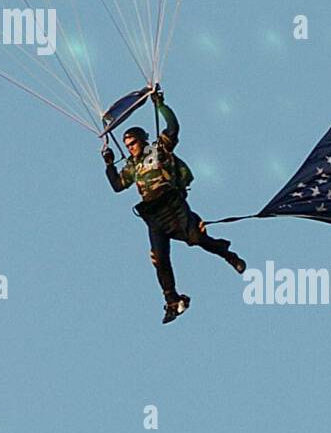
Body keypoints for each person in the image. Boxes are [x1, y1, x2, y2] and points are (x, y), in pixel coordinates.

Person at [103, 89, 246, 323]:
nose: (130, 147)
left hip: (173, 204)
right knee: (160, 259)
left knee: (197, 238)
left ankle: (228, 255)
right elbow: (118, 185)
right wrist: (109, 164)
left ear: (142, 140)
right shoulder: (131, 166)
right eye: (127, 145)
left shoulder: (157, 149)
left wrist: (161, 105)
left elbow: (173, 129)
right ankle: (172, 299)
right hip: (153, 215)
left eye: (133, 143)